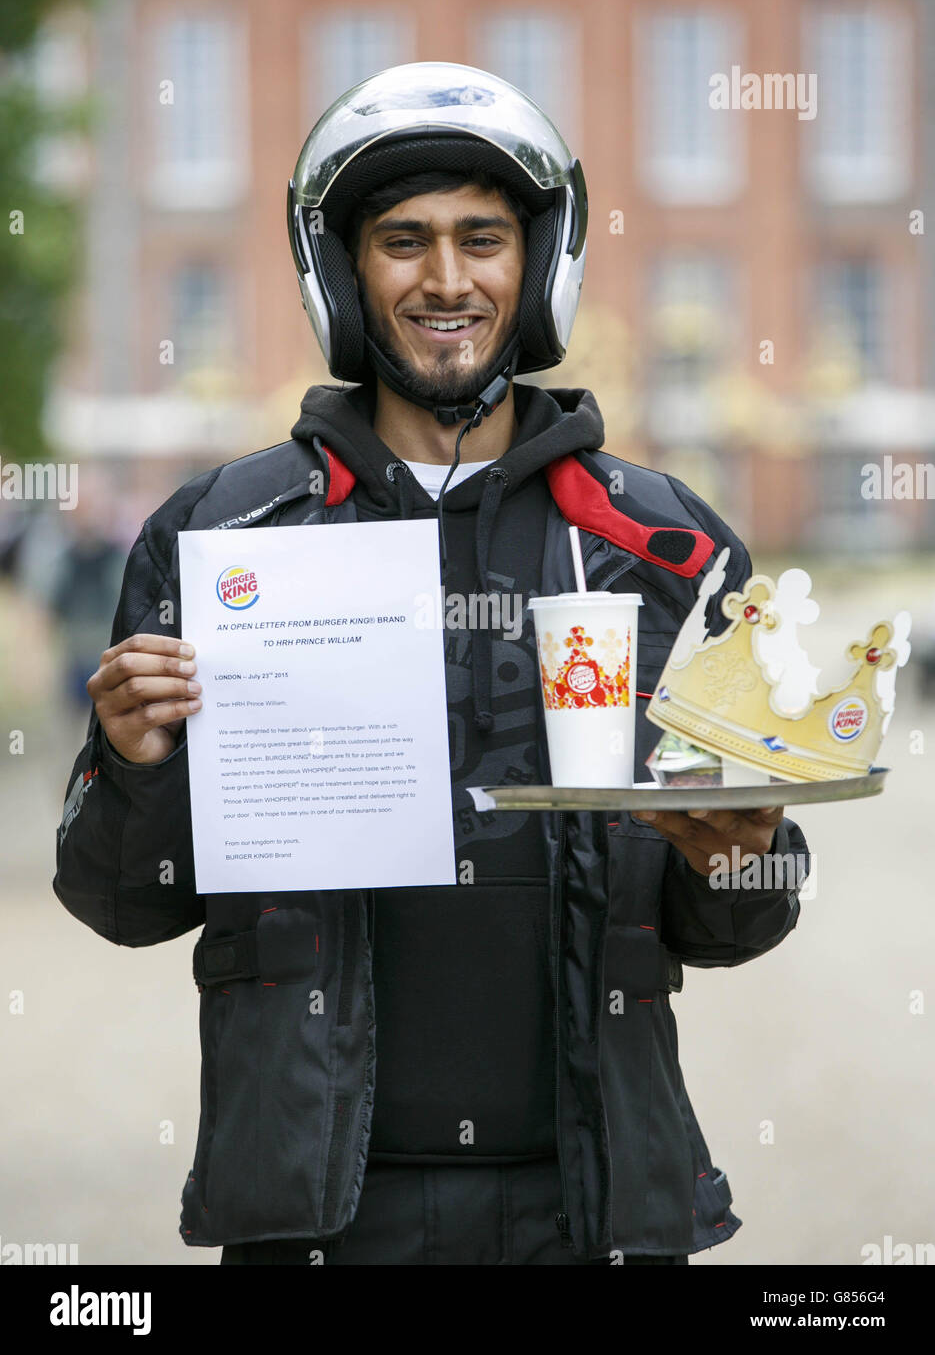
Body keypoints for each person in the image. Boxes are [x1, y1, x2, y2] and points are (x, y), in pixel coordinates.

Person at [53, 62, 809, 1266]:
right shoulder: (221, 538)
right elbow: (118, 901)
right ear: (342, 274)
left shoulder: (667, 549)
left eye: (482, 237)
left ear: (538, 263)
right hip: (314, 1219)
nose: (446, 279)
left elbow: (743, 924)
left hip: (599, 1206)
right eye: (402, 240)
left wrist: (747, 852)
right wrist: (134, 765)